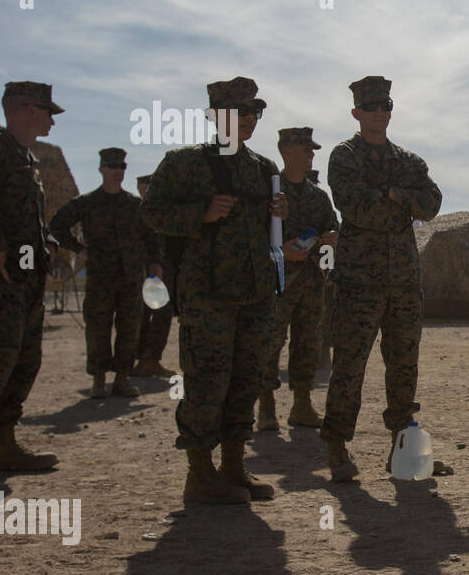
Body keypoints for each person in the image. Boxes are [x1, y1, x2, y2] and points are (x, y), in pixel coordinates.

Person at [141, 77, 287, 505]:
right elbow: (151, 212)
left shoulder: (264, 169)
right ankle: (200, 475)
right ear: (217, 116)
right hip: (207, 294)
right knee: (207, 381)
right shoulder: (185, 163)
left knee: (246, 380)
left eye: (254, 113)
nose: (249, 120)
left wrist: (280, 214)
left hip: (256, 291)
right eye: (241, 112)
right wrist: (199, 213)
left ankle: (234, 468)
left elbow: (271, 233)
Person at [320, 76, 444, 482]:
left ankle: (402, 449)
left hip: (404, 280)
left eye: (385, 105)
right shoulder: (345, 156)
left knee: (404, 364)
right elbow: (355, 208)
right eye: (371, 106)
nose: (379, 113)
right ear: (356, 112)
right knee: (350, 365)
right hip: (359, 280)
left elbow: (432, 204)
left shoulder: (408, 160)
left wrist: (394, 194)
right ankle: (337, 446)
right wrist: (399, 199)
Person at [0, 81, 63, 482]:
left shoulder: (25, 158)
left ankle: (3, 444)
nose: (51, 119)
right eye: (48, 111)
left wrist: (46, 241)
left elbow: (25, 218)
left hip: (26, 280)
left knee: (22, 361)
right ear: (28, 109)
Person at [48, 148, 161, 398]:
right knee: (98, 328)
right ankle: (98, 381)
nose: (118, 171)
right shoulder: (86, 203)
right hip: (101, 277)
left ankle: (122, 379)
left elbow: (150, 237)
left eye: (122, 166)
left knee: (129, 328)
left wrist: (155, 264)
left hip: (131, 277)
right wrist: (79, 249)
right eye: (112, 166)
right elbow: (56, 225)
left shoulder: (134, 205)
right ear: (101, 169)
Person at [256, 128, 338, 431]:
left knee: (308, 344)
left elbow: (332, 230)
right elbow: (251, 236)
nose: (311, 155)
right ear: (287, 151)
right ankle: (266, 407)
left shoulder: (318, 196)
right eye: (306, 149)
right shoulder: (270, 192)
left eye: (312, 150)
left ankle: (301, 406)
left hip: (312, 283)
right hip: (278, 282)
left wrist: (332, 242)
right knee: (271, 343)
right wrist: (279, 252)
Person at [133, 173, 176, 377]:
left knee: (157, 315)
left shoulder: (160, 211)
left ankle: (148, 359)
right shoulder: (142, 212)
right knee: (153, 315)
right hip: (147, 272)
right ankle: (146, 360)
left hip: (160, 271)